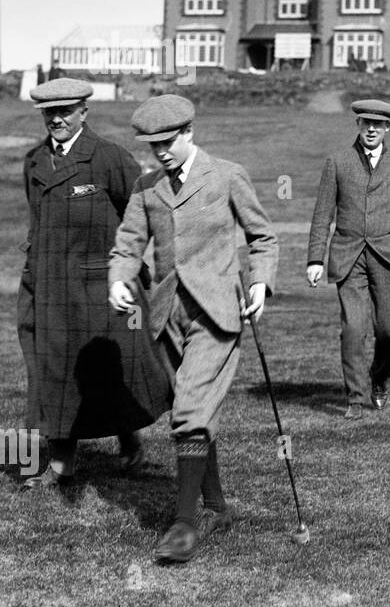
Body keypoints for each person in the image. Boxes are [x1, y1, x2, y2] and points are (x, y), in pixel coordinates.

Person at [109, 95, 278, 563]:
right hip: (167, 317)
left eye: (166, 142)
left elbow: (263, 235)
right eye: (151, 145)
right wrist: (119, 277)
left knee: (189, 408)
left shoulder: (226, 175)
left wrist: (261, 282)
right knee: (193, 407)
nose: (159, 152)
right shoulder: (146, 188)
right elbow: (127, 243)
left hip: (219, 314)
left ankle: (183, 524)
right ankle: (217, 507)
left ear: (188, 133)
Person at [18, 78, 168, 489]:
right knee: (52, 369)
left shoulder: (109, 159)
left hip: (99, 288)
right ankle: (62, 463)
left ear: (85, 111)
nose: (57, 119)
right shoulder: (33, 162)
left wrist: (133, 269)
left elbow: (140, 216)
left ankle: (130, 440)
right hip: (47, 286)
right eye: (50, 113)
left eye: (65, 111)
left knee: (108, 368)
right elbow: (37, 222)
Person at [307, 99, 390, 418]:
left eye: (378, 124)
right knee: (352, 330)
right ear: (357, 125)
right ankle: (356, 399)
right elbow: (322, 215)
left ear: (388, 128)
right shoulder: (337, 162)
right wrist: (315, 259)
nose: (371, 129)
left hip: (389, 259)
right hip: (348, 257)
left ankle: (380, 379)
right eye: (365, 123)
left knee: (389, 331)